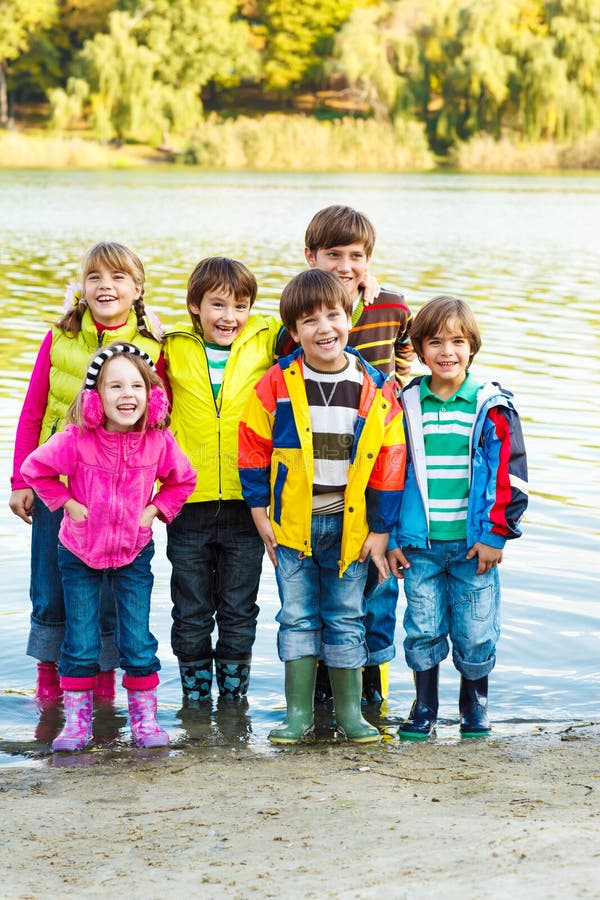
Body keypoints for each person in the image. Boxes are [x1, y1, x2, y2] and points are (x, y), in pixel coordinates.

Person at [239, 269, 406, 744]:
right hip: (294, 524)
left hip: (352, 527)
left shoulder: (374, 387)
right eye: (309, 321)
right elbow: (252, 445)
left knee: (346, 614)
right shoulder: (278, 383)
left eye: (333, 315)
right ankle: (297, 714)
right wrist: (257, 509)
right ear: (293, 333)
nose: (323, 328)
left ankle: (351, 714)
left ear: (349, 318)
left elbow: (390, 463)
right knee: (296, 614)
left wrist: (381, 528)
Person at [9, 241, 165, 704]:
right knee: (52, 584)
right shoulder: (59, 338)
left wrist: (154, 493)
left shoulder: (154, 346)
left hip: (121, 488)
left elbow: (160, 420)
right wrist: (21, 480)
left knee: (109, 593)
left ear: (137, 289)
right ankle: (48, 687)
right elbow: (33, 409)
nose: (105, 286)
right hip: (59, 486)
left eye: (118, 277)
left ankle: (101, 690)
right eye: (95, 277)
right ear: (82, 287)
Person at [20, 343, 196, 751]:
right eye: (114, 386)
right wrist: (67, 503)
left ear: (152, 396)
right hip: (79, 552)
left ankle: (145, 722)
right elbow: (35, 469)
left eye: (136, 385)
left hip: (134, 552)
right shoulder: (76, 439)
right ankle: (77, 724)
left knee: (137, 640)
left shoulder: (157, 440)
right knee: (80, 641)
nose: (127, 395)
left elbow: (183, 480)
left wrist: (154, 510)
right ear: (94, 398)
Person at [276, 204, 415, 703]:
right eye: (333, 254)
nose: (345, 265)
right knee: (317, 590)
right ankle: (317, 690)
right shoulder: (302, 312)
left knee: (377, 585)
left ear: (369, 260)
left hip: (378, 471)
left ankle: (370, 688)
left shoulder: (390, 308)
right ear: (310, 256)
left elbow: (408, 364)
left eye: (356, 256)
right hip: (319, 475)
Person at [387, 296, 528, 739]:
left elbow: (510, 476)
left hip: (474, 546)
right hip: (419, 544)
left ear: (472, 347)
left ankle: (475, 703)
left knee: (476, 628)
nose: (446, 351)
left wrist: (497, 536)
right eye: (435, 342)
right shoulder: (405, 404)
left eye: (457, 341)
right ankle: (425, 705)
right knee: (422, 626)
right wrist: (388, 534)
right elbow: (386, 472)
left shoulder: (491, 406)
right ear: (419, 349)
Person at [163, 257, 281, 704]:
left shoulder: (266, 339)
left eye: (240, 306)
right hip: (186, 502)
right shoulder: (171, 346)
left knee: (238, 607)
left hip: (247, 501)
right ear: (195, 306)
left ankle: (234, 700)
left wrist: (363, 286)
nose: (229, 317)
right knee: (191, 609)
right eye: (217, 305)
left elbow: (323, 319)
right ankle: (195, 703)